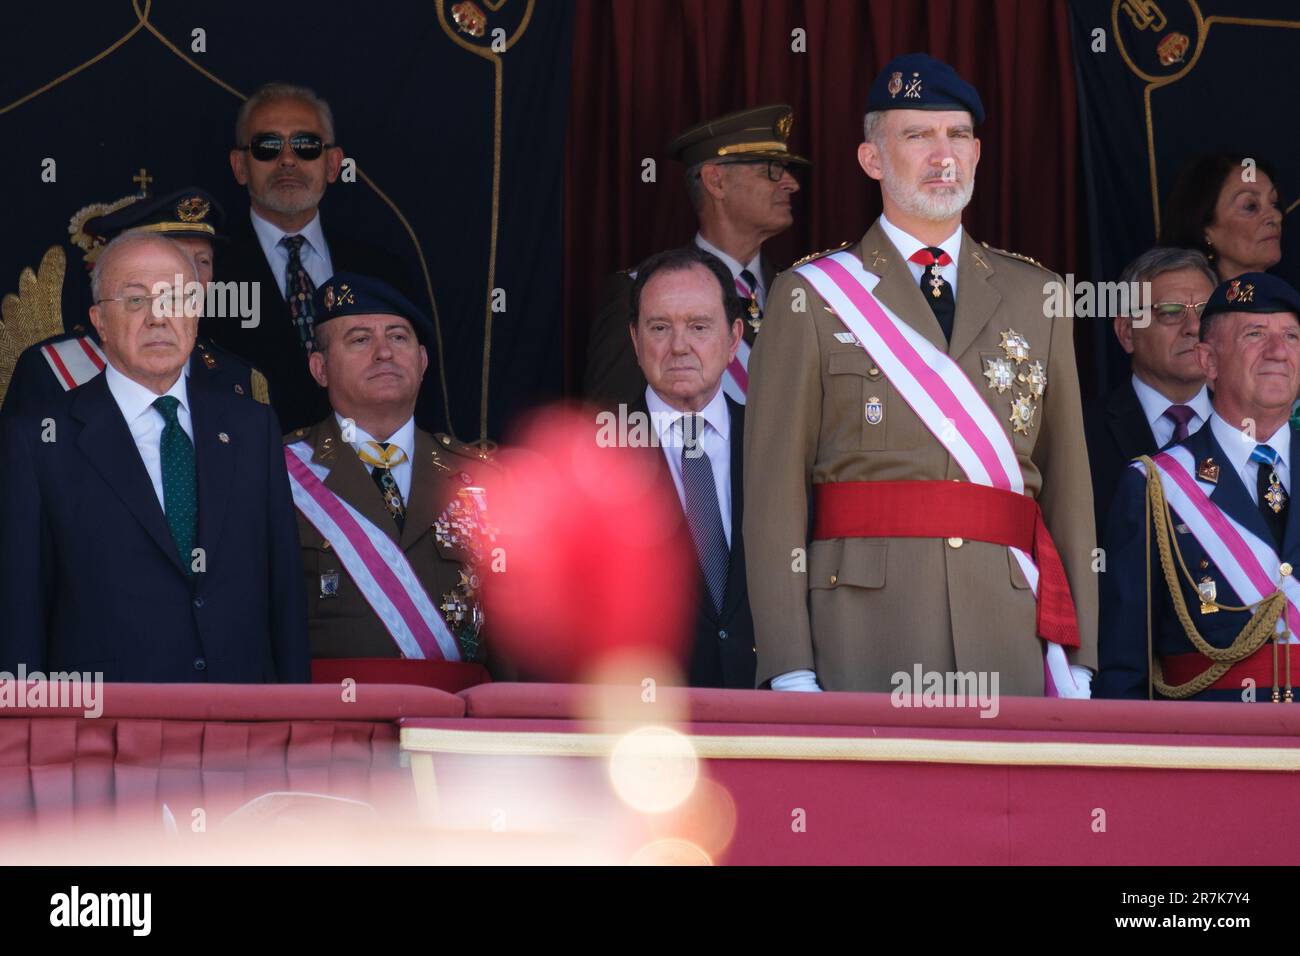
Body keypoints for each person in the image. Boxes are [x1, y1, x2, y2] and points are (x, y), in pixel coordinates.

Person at [743, 53, 1097, 696]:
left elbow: (1068, 482)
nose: (943, 155)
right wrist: (788, 661)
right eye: (917, 135)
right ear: (872, 159)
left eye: (958, 135)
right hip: (862, 626)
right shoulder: (810, 295)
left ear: (978, 153)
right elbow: (773, 495)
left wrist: (1079, 658)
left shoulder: (1037, 294)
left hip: (1006, 625)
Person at [0, 233, 310, 682]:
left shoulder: (253, 427)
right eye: (134, 300)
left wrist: (294, 726)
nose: (158, 317)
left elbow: (284, 595)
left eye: (176, 298)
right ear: (99, 321)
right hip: (105, 729)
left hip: (243, 724)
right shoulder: (39, 440)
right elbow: (20, 610)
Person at [1097, 273, 1300, 702]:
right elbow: (1126, 664)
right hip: (1213, 745)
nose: (1279, 351)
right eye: (1255, 334)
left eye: (1292, 336)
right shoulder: (1155, 485)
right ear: (1208, 361)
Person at [284, 272, 496, 667]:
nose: (384, 353)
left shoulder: (482, 479)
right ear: (320, 368)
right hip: (331, 721)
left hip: (457, 722)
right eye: (360, 339)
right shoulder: (279, 476)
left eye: (398, 337)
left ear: (422, 360)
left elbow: (514, 631)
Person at [206, 83, 417, 433]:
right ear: (240, 165)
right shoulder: (208, 273)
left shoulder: (384, 270)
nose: (287, 160)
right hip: (245, 472)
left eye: (306, 146)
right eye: (267, 147)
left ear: (333, 164)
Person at [584, 104, 808, 412]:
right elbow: (613, 424)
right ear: (716, 181)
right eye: (769, 170)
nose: (791, 184)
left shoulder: (797, 290)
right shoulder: (637, 291)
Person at [1, 188, 267, 422]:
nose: (192, 277)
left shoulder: (238, 378)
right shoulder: (49, 369)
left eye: (203, 261)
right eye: (176, 259)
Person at [625, 245, 756, 688]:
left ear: (734, 338)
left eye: (699, 326)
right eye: (660, 327)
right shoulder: (593, 456)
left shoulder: (775, 445)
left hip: (765, 718)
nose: (679, 346)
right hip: (641, 721)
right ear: (635, 339)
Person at [1084, 247, 1216, 538]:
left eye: (1206, 313)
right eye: (1171, 312)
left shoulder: (1251, 425)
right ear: (1127, 332)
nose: (1194, 327)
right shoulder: (1081, 433)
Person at [1160, 152, 1283, 281]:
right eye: (1250, 206)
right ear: (1205, 229)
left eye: (1274, 203)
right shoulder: (1151, 287)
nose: (1275, 216)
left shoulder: (1288, 297)